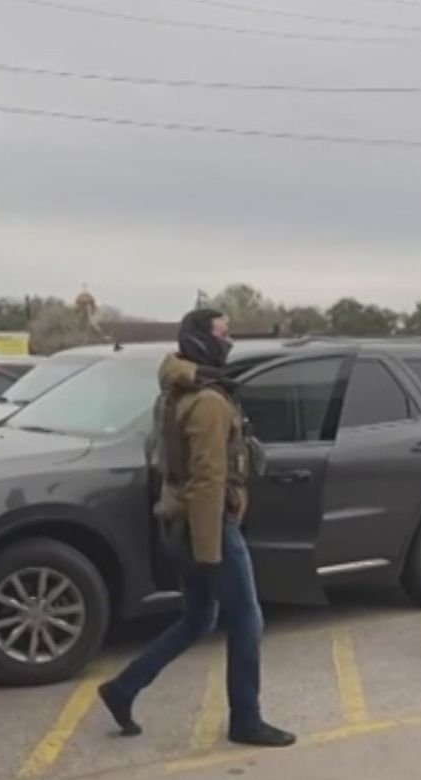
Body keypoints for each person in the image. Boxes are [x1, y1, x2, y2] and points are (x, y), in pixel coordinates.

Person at [97, 309, 294, 747]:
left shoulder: (174, 389)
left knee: (198, 618)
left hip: (178, 518)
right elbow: (208, 479)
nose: (229, 342)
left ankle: (124, 687)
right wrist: (210, 550)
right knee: (247, 621)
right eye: (223, 334)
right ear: (203, 340)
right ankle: (246, 719)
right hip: (207, 525)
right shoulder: (207, 401)